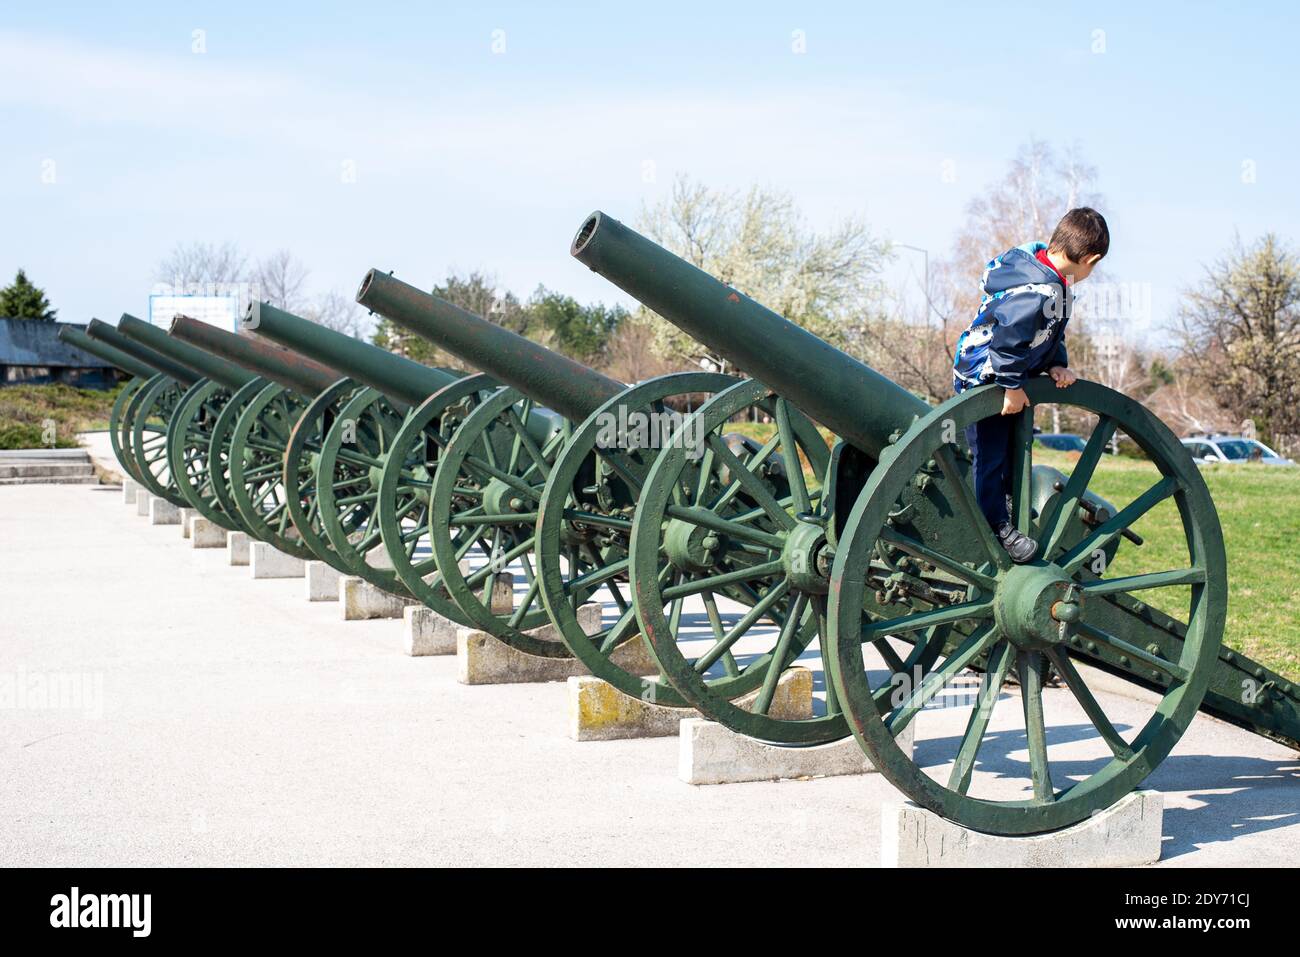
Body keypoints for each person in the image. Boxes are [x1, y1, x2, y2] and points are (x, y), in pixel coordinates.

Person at [951, 207, 1109, 563]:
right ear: (1091, 260)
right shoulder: (1039, 289)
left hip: (1011, 377)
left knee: (1011, 451)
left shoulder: (1046, 276)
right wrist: (1010, 385)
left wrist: (1056, 365)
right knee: (990, 456)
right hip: (985, 377)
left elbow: (1049, 333)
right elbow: (1009, 337)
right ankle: (996, 527)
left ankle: (1007, 505)